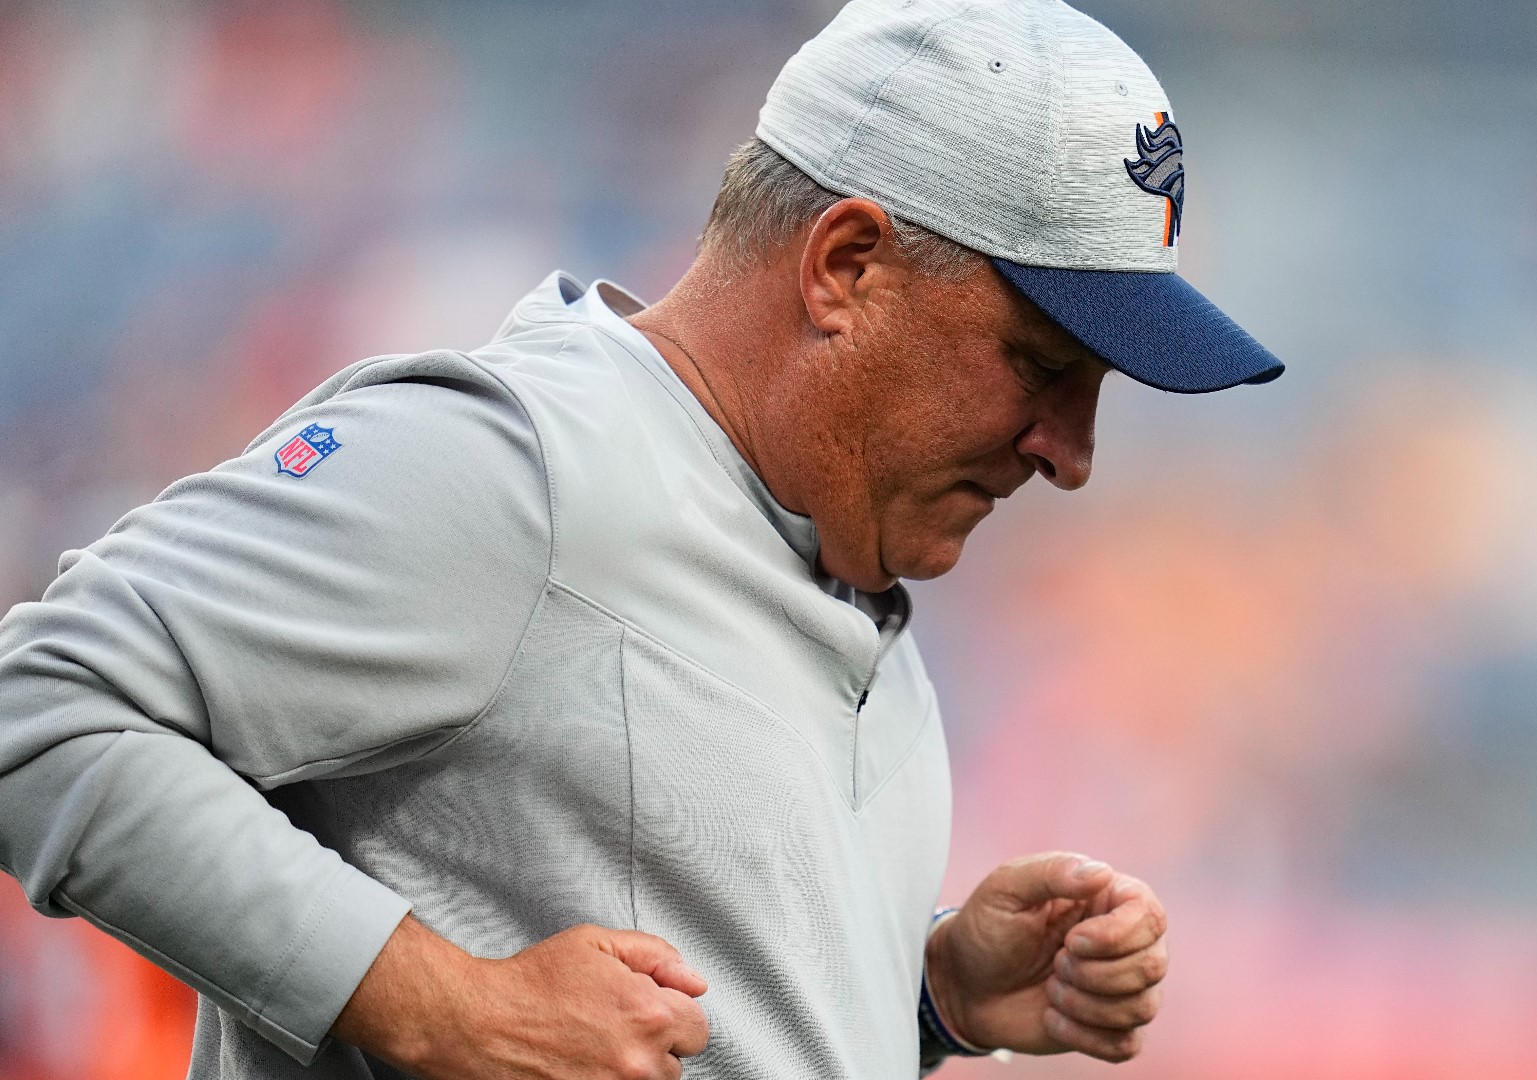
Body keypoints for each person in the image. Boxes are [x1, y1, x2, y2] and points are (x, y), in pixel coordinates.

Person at [0, 0, 1282, 1077]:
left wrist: (924, 993)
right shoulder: (518, 471)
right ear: (845, 266)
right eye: (1037, 363)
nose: (1072, 452)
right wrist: (435, 1002)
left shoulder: (828, 538)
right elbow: (38, 709)